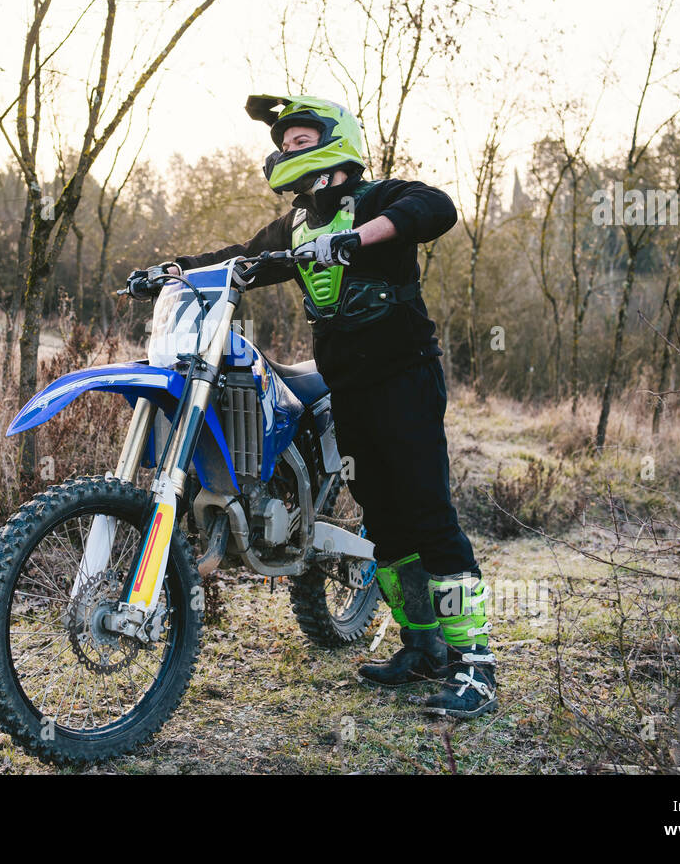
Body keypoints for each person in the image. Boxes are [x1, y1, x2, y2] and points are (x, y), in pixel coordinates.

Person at [158, 95, 496, 718]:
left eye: (301, 137)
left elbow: (437, 207)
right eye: (283, 142)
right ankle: (423, 648)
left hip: (406, 380)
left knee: (429, 517)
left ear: (335, 142)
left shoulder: (377, 198)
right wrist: (174, 271)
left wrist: (354, 241)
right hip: (352, 392)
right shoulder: (294, 226)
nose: (289, 148)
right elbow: (239, 261)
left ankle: (474, 664)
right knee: (387, 524)